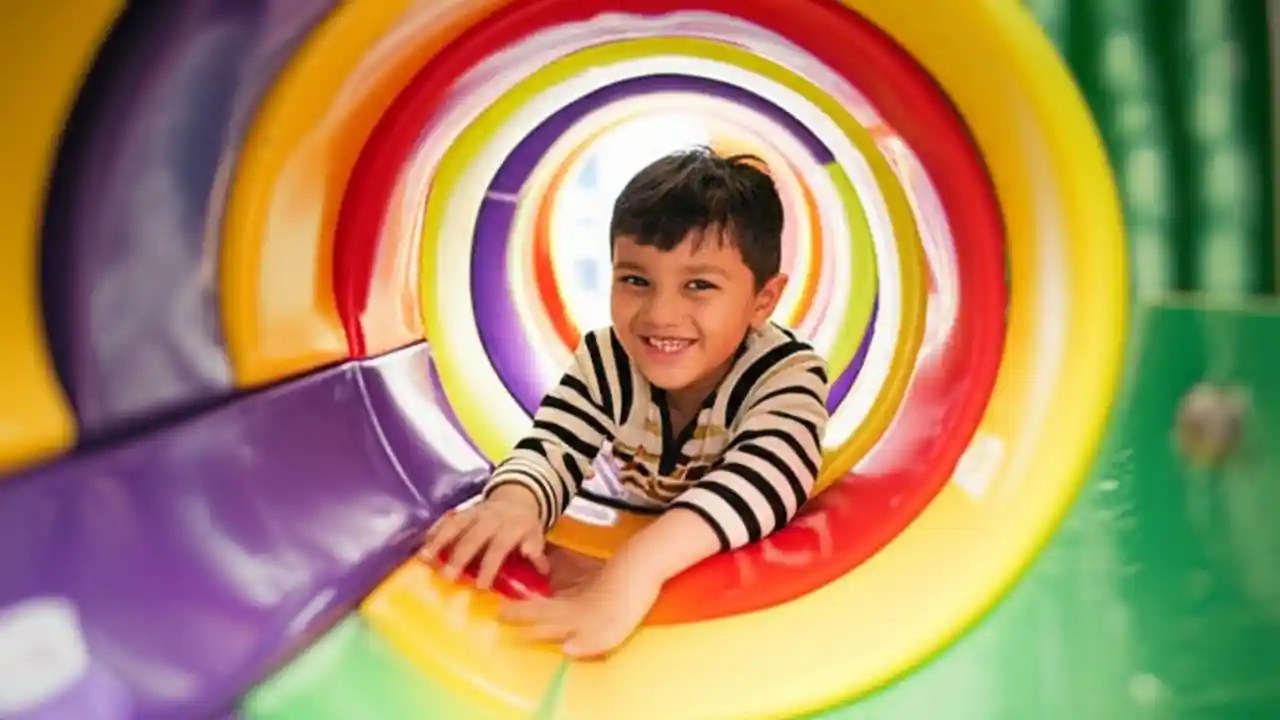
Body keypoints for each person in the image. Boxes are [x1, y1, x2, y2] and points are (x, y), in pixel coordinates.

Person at [419, 146, 830, 658]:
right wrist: (515, 501)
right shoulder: (606, 360)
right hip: (630, 500)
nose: (660, 314)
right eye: (636, 280)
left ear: (762, 302)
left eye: (698, 285)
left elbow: (768, 478)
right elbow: (553, 444)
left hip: (728, 576)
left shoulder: (787, 374)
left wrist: (635, 569)